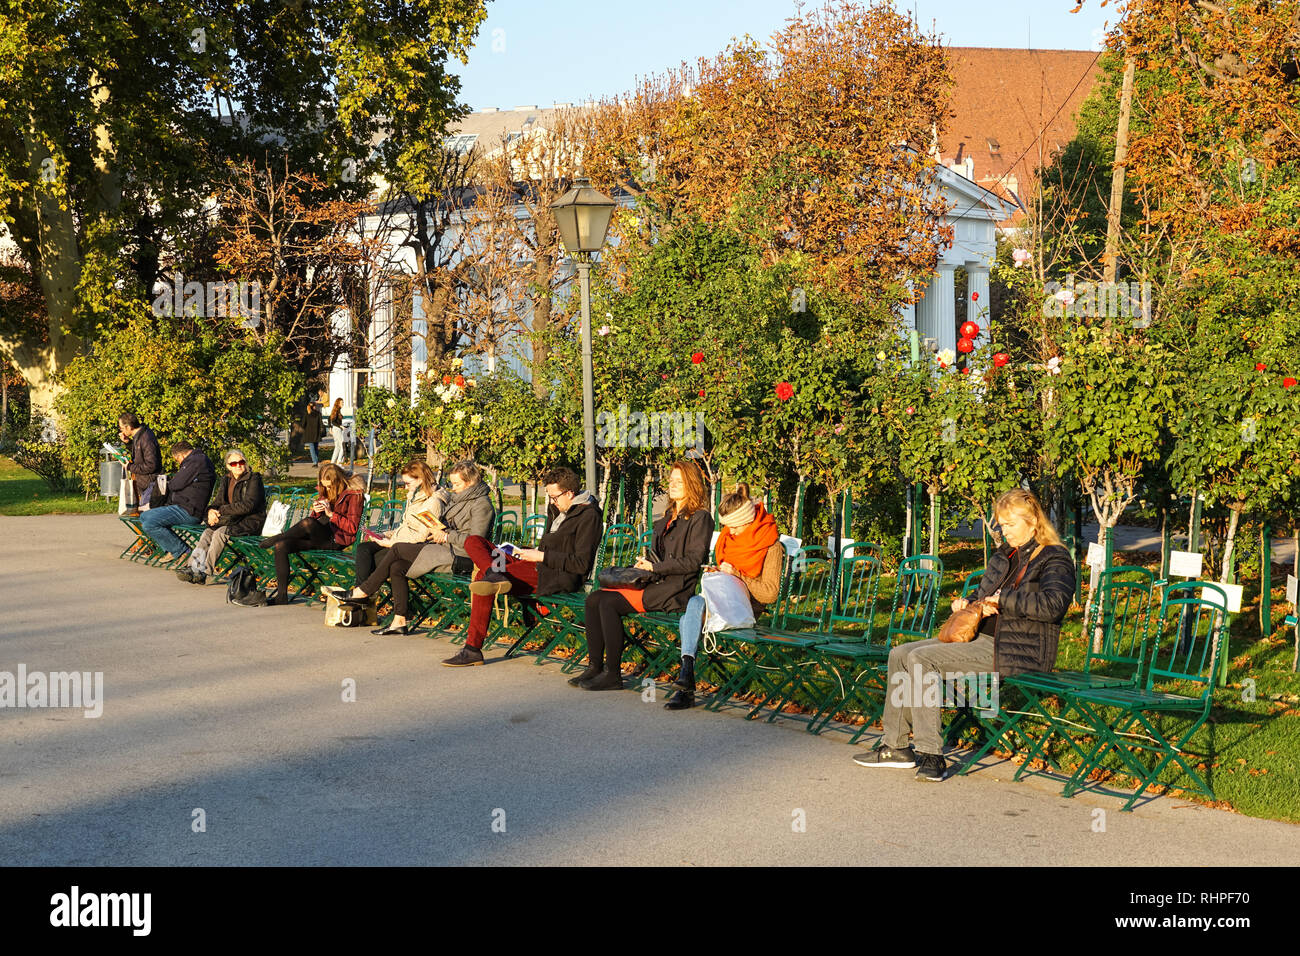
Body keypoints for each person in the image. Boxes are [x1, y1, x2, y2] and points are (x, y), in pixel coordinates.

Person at [853, 487, 1076, 782]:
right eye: (1002, 525)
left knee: (921, 660)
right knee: (900, 653)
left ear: (1033, 521)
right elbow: (983, 593)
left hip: (1015, 649)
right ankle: (895, 747)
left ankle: (932, 755)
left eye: (1010, 525)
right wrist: (968, 602)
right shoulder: (1005, 554)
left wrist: (1004, 600)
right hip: (979, 639)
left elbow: (1054, 606)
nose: (1004, 531)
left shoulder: (1054, 558)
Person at [442, 466, 602, 668]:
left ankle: (472, 649)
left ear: (569, 493)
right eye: (550, 497)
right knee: (474, 541)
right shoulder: (559, 508)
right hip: (534, 563)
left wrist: (541, 556)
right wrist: (527, 551)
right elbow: (552, 544)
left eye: (554, 497)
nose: (552, 502)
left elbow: (581, 564)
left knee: (482, 578)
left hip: (554, 575)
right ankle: (494, 573)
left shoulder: (589, 516)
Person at [574, 460, 713, 691]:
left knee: (608, 603)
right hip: (654, 582)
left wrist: (654, 568)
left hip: (674, 590)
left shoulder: (700, 518)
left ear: (692, 484)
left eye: (680, 481)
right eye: (671, 480)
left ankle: (612, 674)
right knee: (594, 599)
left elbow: (693, 561)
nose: (673, 485)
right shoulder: (670, 514)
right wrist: (645, 563)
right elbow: (658, 554)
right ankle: (595, 667)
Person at [335, 459, 493, 635]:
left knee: (397, 549)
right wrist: (439, 529)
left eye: (457, 483)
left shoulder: (482, 504)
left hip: (461, 555)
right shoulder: (459, 498)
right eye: (452, 483)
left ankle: (363, 591)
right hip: (443, 547)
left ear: (470, 482)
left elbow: (477, 541)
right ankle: (399, 621)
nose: (453, 487)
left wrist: (447, 535)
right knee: (397, 567)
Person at [663, 482, 782, 711]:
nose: (731, 532)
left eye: (735, 527)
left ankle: (686, 683)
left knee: (688, 616)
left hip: (746, 608)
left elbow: (770, 594)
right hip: (722, 601)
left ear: (748, 521)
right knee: (695, 603)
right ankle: (686, 674)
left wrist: (738, 575)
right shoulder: (729, 537)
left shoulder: (770, 545)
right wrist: (718, 572)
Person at [321, 458, 441, 628]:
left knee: (382, 561)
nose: (405, 487)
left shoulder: (432, 502)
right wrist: (384, 534)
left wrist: (391, 542)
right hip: (399, 542)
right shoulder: (413, 497)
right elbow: (405, 527)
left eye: (408, 483)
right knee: (364, 549)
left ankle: (360, 600)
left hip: (413, 549)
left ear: (421, 479)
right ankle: (359, 598)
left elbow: (421, 535)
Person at [252, 462, 363, 607]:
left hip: (336, 540)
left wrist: (331, 514)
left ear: (338, 481)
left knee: (308, 523)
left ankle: (280, 535)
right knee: (281, 546)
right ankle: (282, 596)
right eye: (324, 486)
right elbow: (316, 517)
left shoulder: (354, 494)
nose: (327, 489)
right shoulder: (325, 488)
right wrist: (317, 510)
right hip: (319, 534)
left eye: (329, 486)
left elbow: (352, 528)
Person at [178, 449, 266, 585]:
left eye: (241, 462)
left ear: (245, 463)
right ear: (228, 466)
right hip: (231, 519)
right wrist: (212, 511)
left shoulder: (254, 479)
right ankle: (194, 567)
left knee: (219, 533)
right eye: (234, 463)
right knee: (208, 532)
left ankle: (204, 572)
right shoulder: (226, 479)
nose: (238, 465)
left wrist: (221, 511)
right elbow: (218, 502)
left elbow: (248, 505)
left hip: (250, 521)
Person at [139, 442, 216, 563]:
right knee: (144, 516)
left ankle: (182, 551)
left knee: (149, 524)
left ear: (181, 456)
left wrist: (173, 482)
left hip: (189, 510)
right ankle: (172, 549)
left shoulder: (196, 462)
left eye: (177, 460)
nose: (178, 463)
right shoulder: (197, 460)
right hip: (182, 506)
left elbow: (176, 484)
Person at [118, 412, 160, 513]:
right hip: (144, 484)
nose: (121, 431)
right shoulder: (139, 435)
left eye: (121, 428)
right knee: (141, 520)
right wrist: (128, 443)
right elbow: (139, 452)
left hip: (149, 486)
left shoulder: (146, 438)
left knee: (146, 521)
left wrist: (129, 467)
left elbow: (151, 465)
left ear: (128, 427)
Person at [301, 401, 324, 466]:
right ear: (314, 406)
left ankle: (315, 461)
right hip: (316, 432)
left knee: (312, 448)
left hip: (309, 433)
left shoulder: (306, 414)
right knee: (316, 447)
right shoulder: (318, 413)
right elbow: (321, 423)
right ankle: (316, 460)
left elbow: (303, 424)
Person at [329, 398, 346, 464]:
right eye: (342, 402)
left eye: (343, 402)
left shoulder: (336, 410)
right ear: (338, 403)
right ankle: (339, 462)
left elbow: (329, 419)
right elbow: (332, 421)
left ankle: (332, 462)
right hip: (337, 429)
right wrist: (340, 426)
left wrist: (330, 428)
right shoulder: (337, 410)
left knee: (337, 447)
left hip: (336, 429)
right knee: (342, 445)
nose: (343, 404)